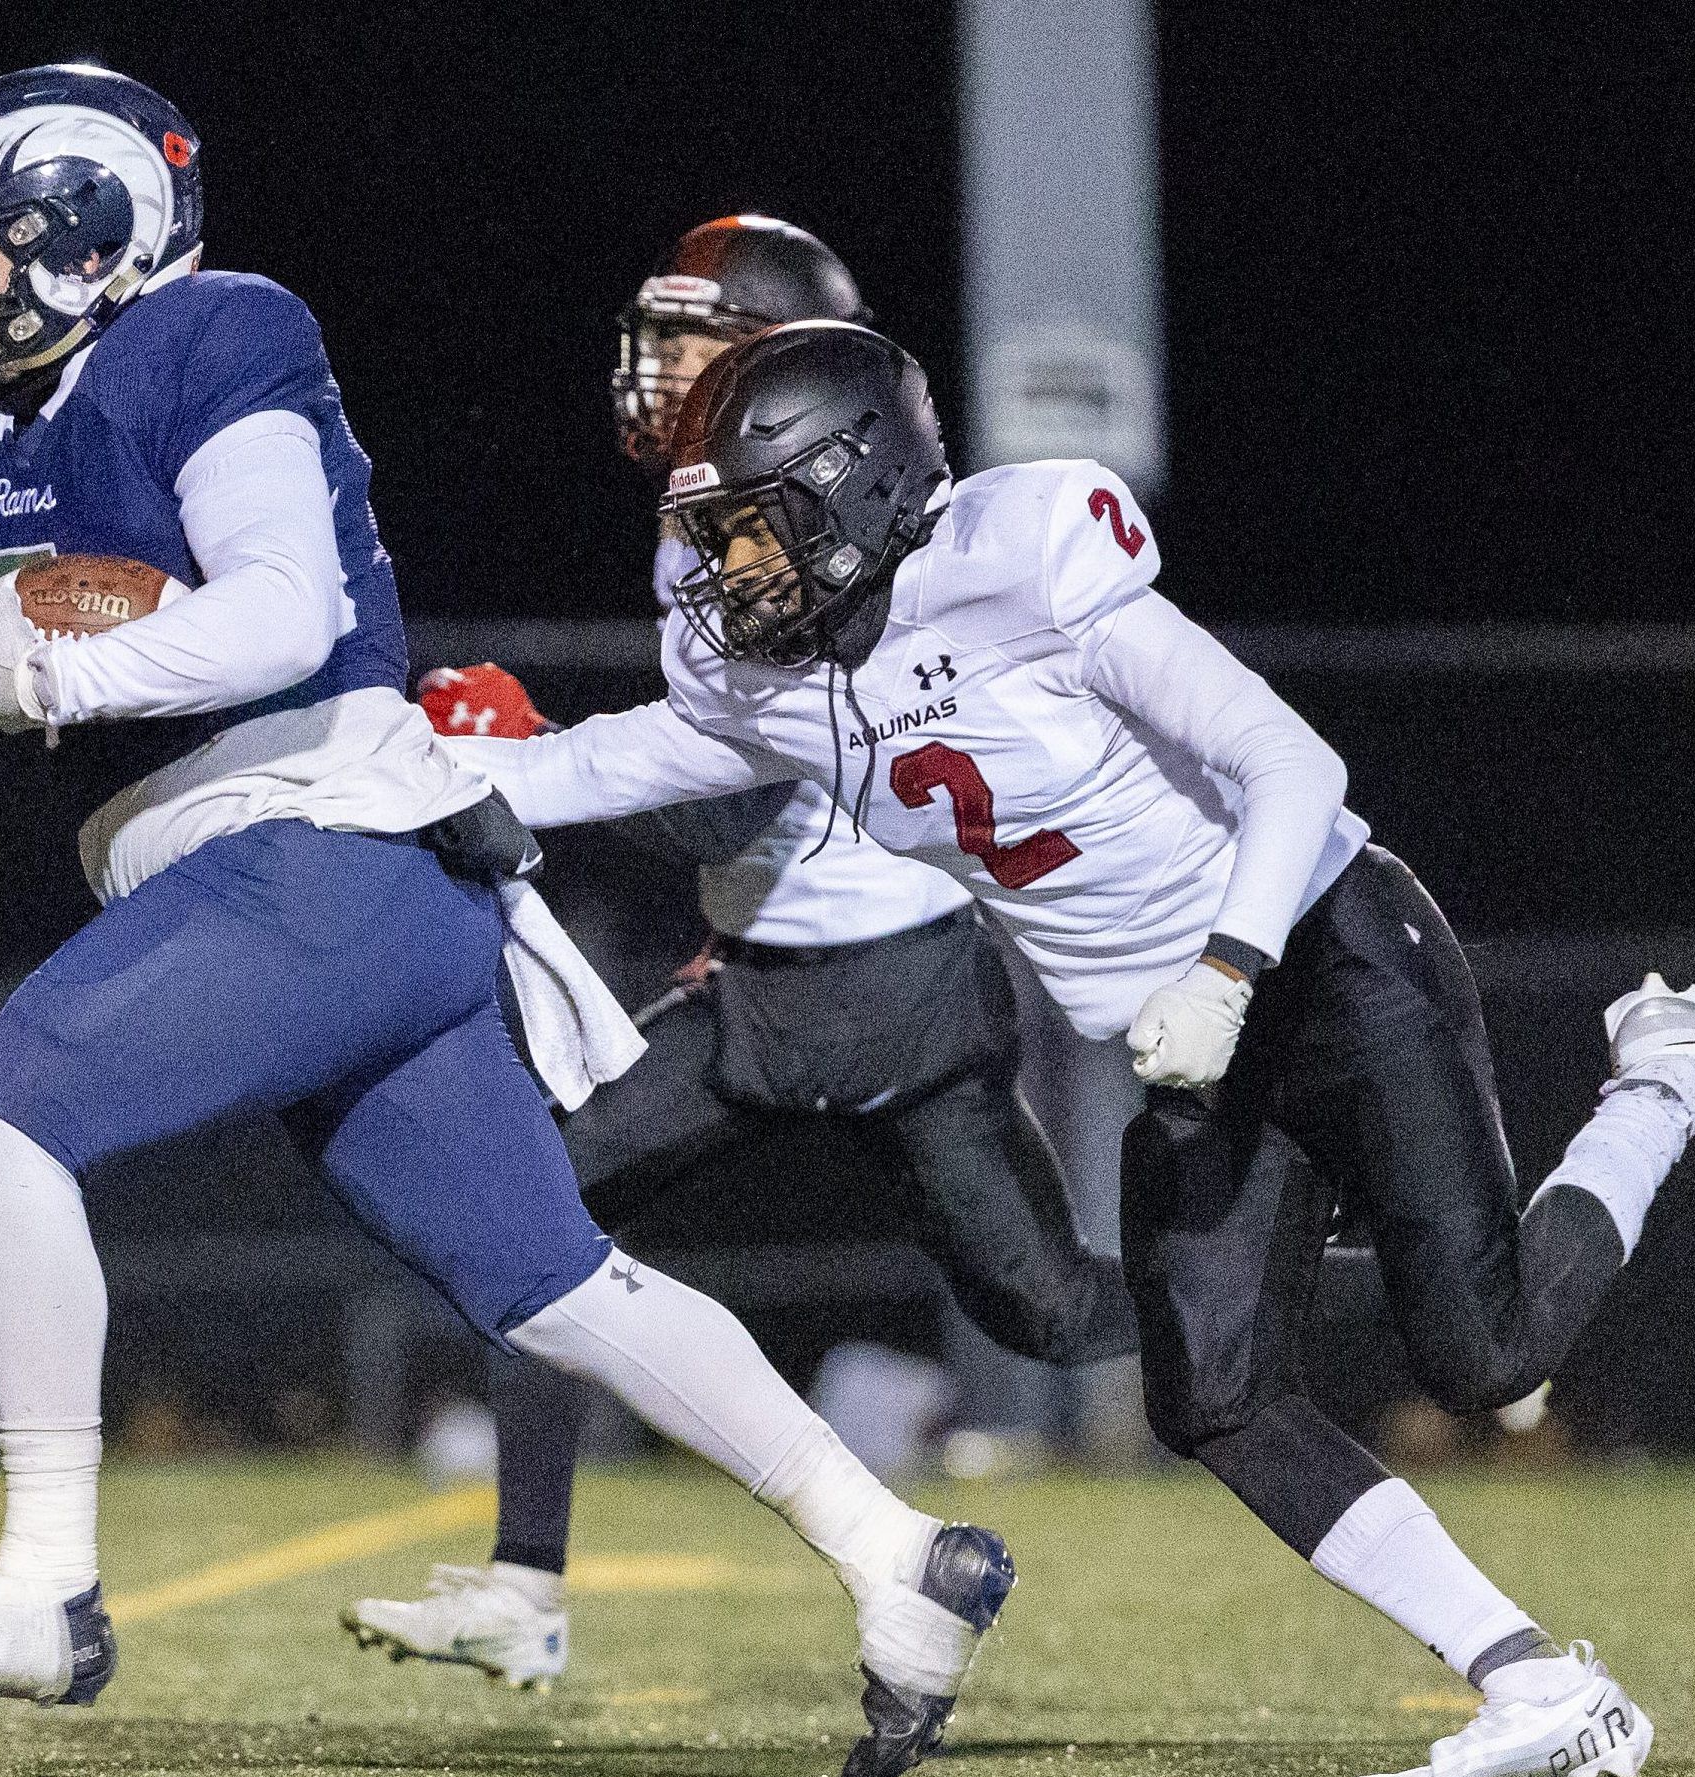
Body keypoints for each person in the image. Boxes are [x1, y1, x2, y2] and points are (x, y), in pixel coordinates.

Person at [0, 70, 1010, 1777]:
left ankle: (44, 1590)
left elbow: (283, 613)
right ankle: (899, 1557)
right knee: (553, 1283)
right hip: (336, 883)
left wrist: (64, 675)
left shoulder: (210, 336)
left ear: (90, 238)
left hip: (321, 837)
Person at [435, 319, 1695, 1777]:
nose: (731, 567)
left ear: (860, 484)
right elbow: (589, 767)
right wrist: (385, 765)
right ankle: (1539, 1682)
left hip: (1330, 959)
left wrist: (1225, 969)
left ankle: (1665, 1081)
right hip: (1196, 1051)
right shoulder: (775, 683)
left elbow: (1292, 763)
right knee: (1212, 1393)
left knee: (1484, 1354)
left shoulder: (1023, 566)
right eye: (720, 534)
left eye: (758, 525)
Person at [343, 215, 1135, 1694]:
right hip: (776, 972)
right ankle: (523, 1588)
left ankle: (1331, 1256)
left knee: (1050, 1306)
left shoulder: (806, 510)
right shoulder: (711, 511)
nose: (654, 368)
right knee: (541, 1214)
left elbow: (729, 791)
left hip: (893, 984)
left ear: (772, 357)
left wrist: (527, 745)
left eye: (688, 339)